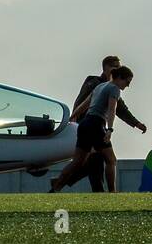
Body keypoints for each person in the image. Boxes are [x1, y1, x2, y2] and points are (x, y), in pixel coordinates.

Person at [63, 55, 147, 192]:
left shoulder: (113, 88)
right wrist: (75, 119)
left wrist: (136, 123)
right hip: (88, 125)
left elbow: (120, 109)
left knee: (93, 160)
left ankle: (61, 181)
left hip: (96, 126)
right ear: (106, 68)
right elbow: (82, 102)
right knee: (98, 160)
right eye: (115, 67)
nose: (118, 70)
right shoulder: (94, 82)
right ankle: (101, 191)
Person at [50, 66, 134, 193]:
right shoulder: (114, 89)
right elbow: (112, 110)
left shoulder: (100, 86)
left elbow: (84, 104)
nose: (127, 86)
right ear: (119, 78)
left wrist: (73, 117)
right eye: (127, 82)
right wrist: (110, 129)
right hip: (96, 124)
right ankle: (112, 192)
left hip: (85, 124)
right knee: (111, 160)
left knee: (78, 162)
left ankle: (55, 188)